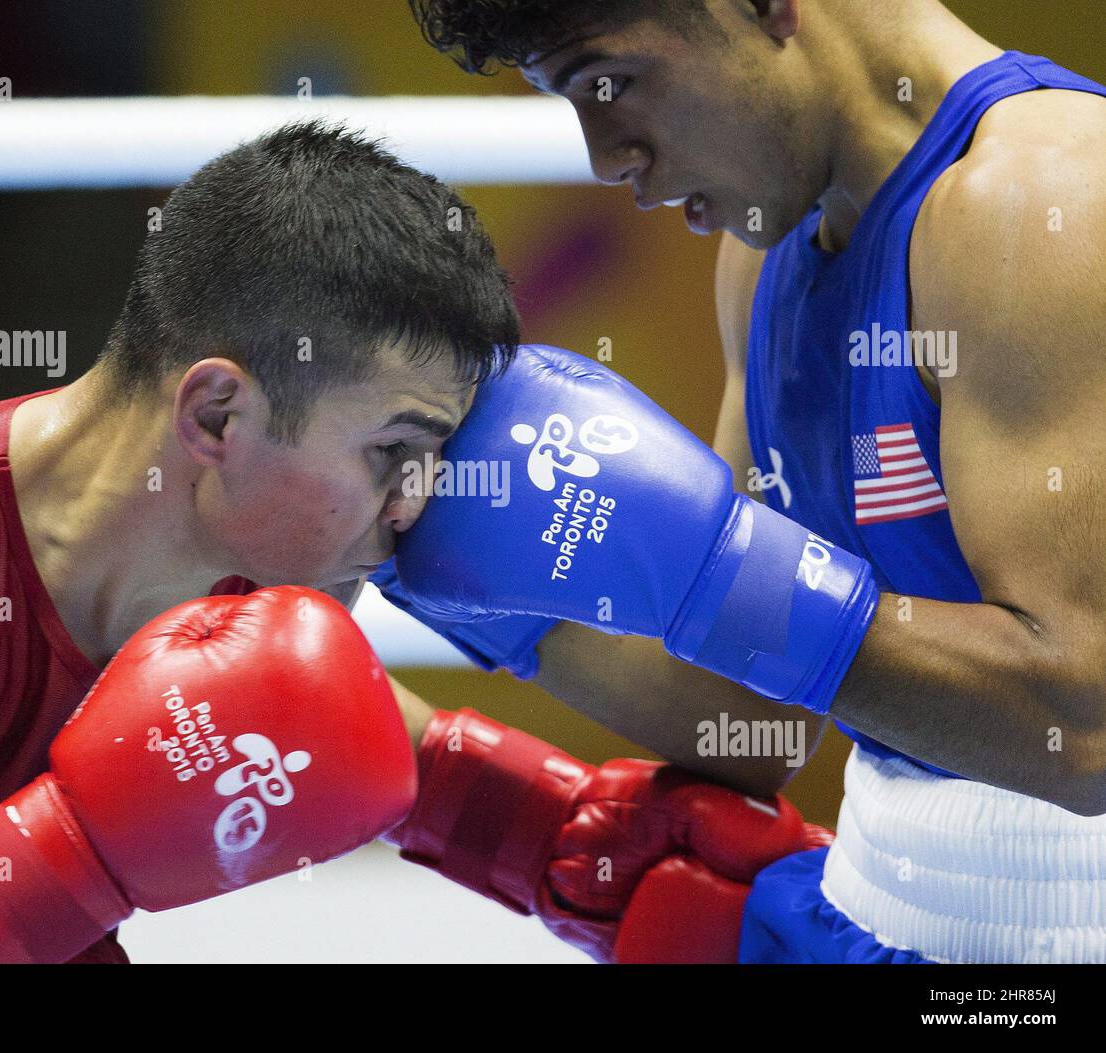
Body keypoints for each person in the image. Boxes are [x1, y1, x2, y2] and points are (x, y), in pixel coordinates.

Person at [0, 120, 816, 964]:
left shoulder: (259, 574)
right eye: (393, 451)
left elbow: (339, 737)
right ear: (214, 416)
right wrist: (74, 856)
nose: (418, 502)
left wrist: (568, 840)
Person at [391, 0, 1106, 961]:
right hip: (879, 900)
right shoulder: (764, 257)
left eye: (611, 82)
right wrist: (424, 544)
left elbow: (1085, 726)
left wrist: (720, 576)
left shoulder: (1048, 197)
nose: (608, 158)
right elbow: (752, 719)